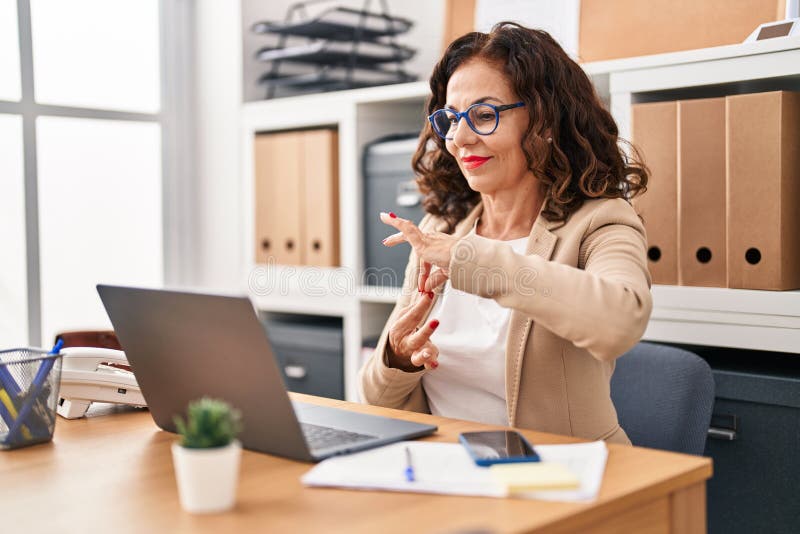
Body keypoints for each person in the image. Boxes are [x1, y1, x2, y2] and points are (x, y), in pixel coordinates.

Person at [358, 22, 651, 444]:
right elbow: (370, 398)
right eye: (452, 119)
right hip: (443, 470)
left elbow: (621, 321)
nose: (458, 139)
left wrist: (471, 261)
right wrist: (399, 359)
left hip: (559, 476)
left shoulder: (600, 221)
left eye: (483, 115)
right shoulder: (441, 229)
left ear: (544, 121)